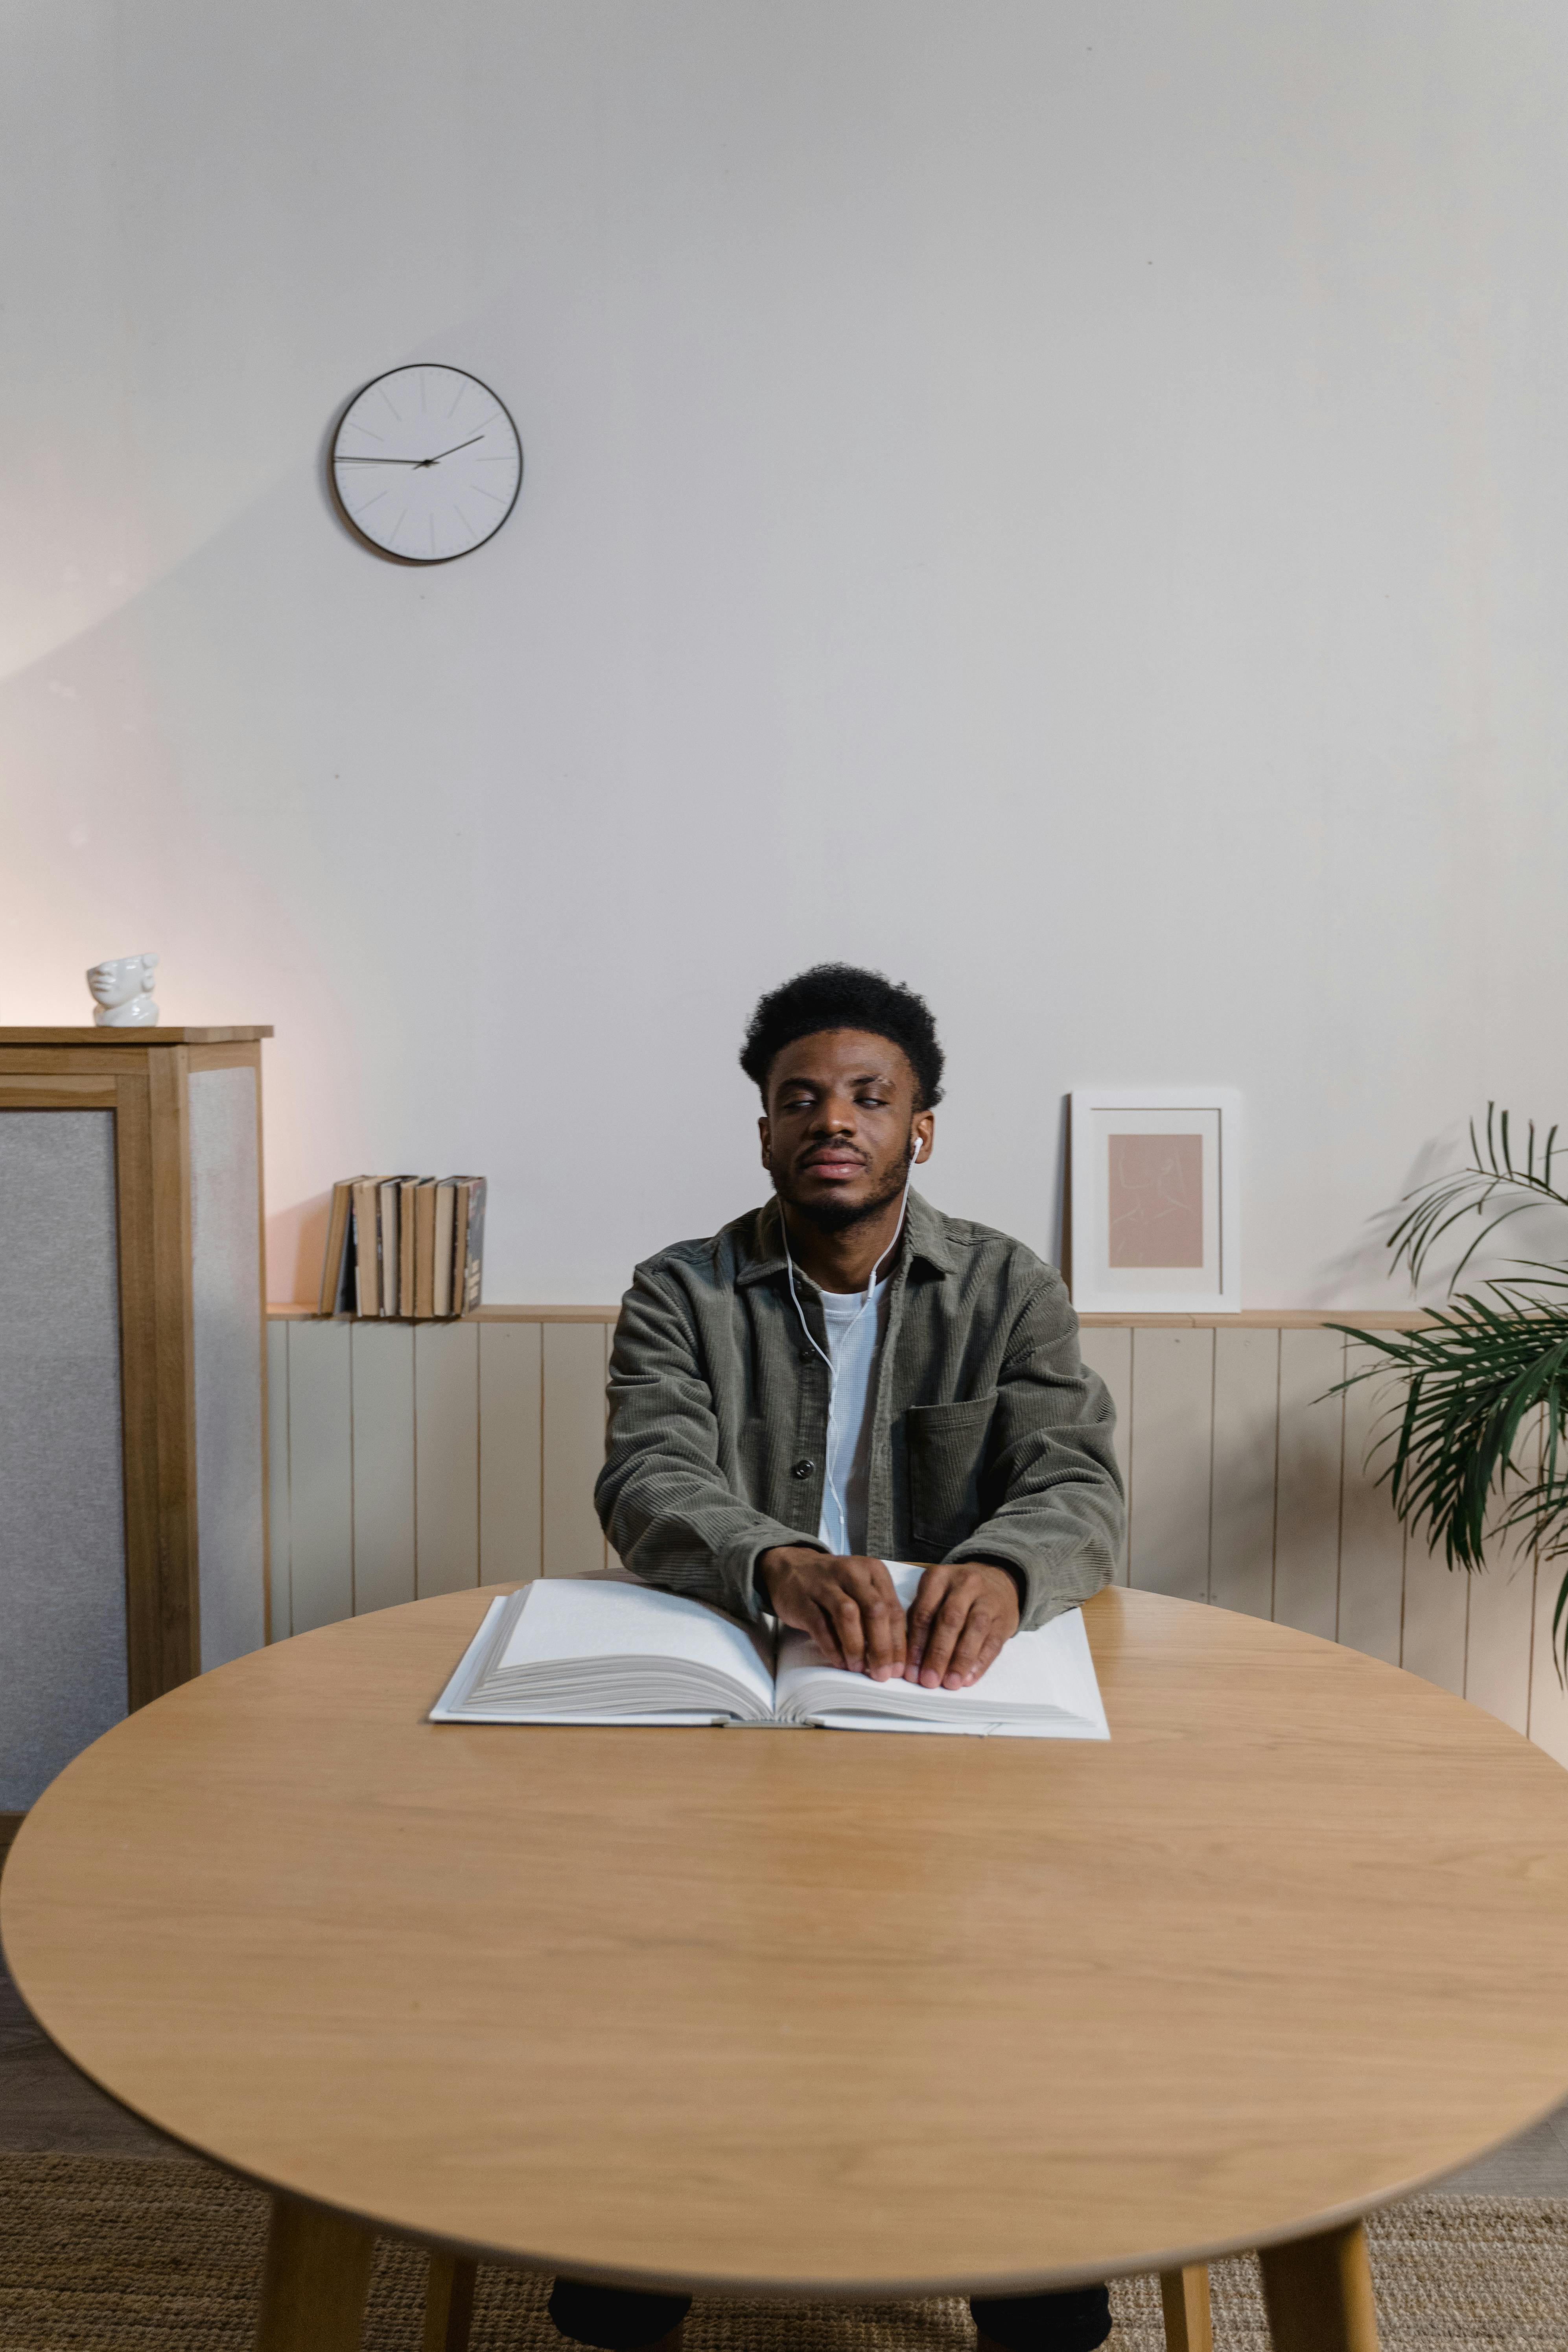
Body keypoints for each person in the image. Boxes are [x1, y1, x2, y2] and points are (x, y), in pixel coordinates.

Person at [548, 964, 1125, 2352]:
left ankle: (1030, 2281)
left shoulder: (1007, 1288)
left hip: (945, 1726)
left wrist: (996, 1566)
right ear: (760, 1129)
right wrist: (775, 1563)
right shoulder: (679, 1290)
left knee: (1003, 1981)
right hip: (729, 1721)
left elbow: (1078, 1484)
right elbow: (648, 1476)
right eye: (799, 1098)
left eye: (869, 1096)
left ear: (919, 1126)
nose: (833, 1121)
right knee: (655, 1963)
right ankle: (628, 2266)